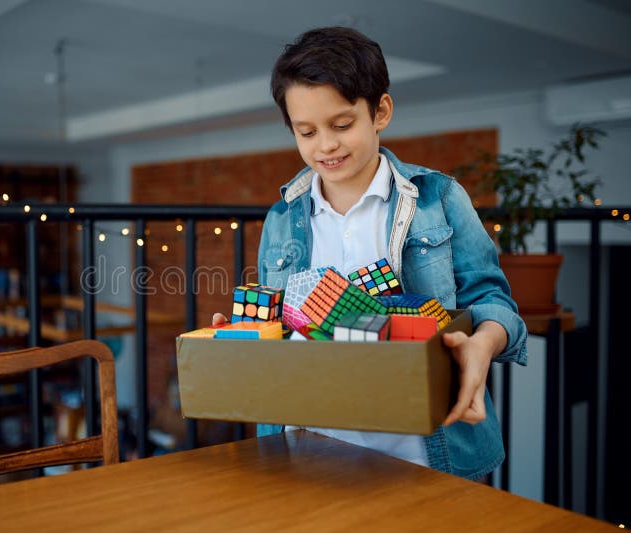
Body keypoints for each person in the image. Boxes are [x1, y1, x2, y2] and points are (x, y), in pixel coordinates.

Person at [213, 26, 527, 481]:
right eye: (306, 131)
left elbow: (494, 304)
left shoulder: (439, 199)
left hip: (427, 452)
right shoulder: (281, 219)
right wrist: (243, 338)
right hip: (310, 449)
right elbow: (278, 327)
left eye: (341, 125)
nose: (325, 145)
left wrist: (483, 343)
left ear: (380, 111)